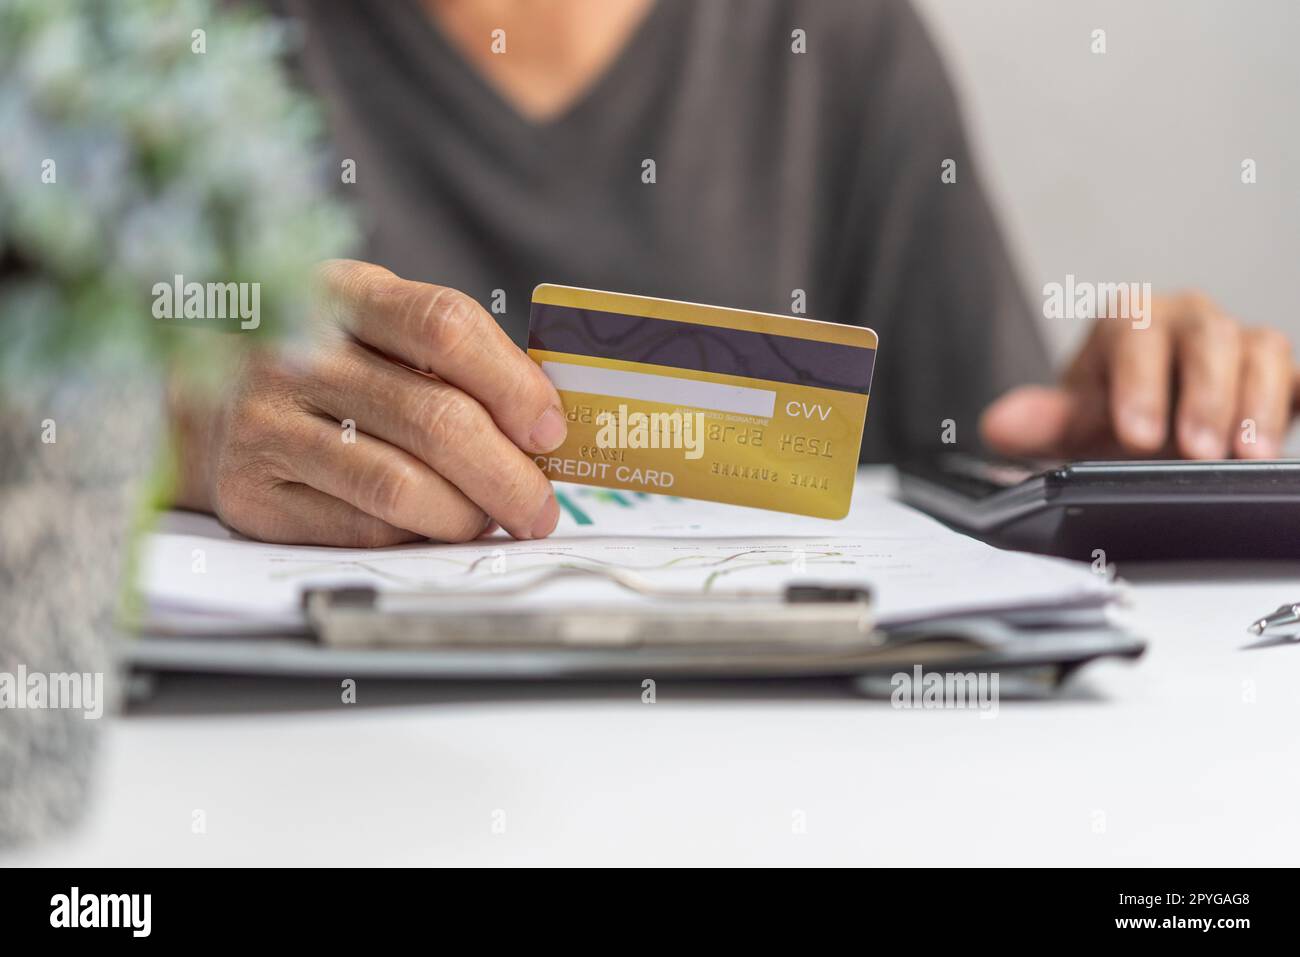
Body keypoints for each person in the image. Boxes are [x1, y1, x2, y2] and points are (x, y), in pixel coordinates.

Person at [173, 0, 1297, 546]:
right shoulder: (155, 42)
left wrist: (1125, 460)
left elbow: (998, 455)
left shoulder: (842, 43)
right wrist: (172, 422)